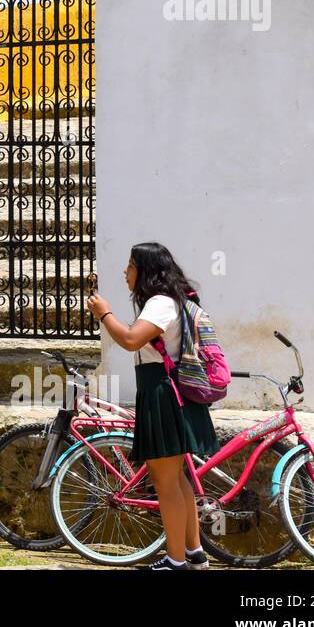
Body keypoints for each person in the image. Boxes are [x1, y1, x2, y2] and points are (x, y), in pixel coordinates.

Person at [86, 242, 219, 571]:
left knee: (166, 483)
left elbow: (132, 339)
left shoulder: (160, 303)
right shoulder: (168, 301)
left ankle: (175, 560)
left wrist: (104, 313)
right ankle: (194, 553)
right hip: (165, 392)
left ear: (145, 271)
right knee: (178, 479)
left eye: (130, 265)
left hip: (163, 394)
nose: (125, 272)